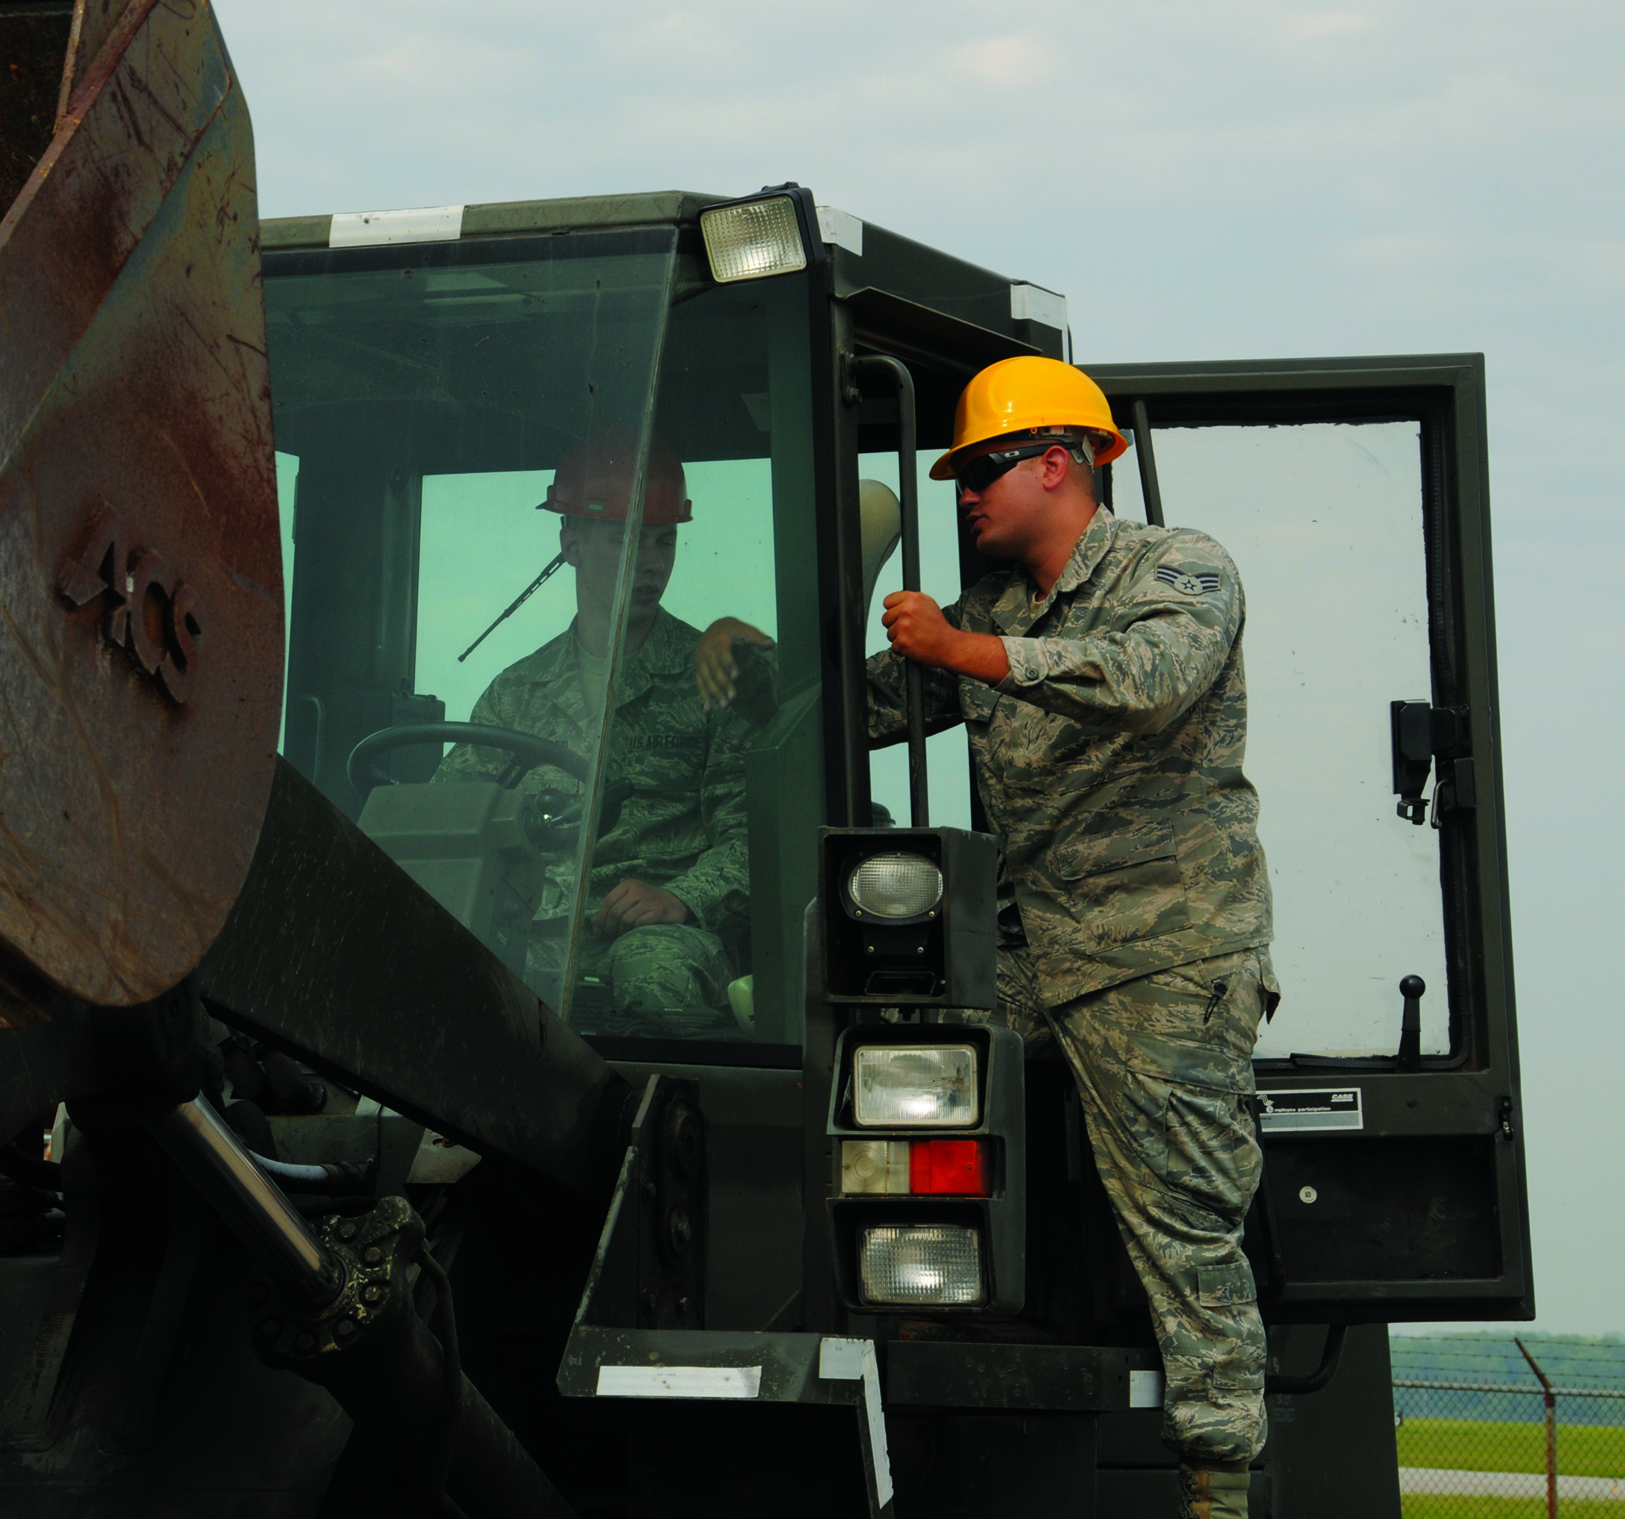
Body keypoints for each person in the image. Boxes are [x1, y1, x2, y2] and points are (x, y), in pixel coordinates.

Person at [699, 356, 1274, 1519]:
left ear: (1057, 465)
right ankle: (917, 1339)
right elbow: (858, 708)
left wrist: (967, 656)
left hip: (1163, 961)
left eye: (984, 470)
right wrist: (744, 657)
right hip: (1030, 957)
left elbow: (1149, 680)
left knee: (1184, 1230)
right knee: (885, 1070)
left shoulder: (1180, 569)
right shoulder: (994, 614)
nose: (964, 494)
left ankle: (1218, 1490)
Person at [438, 434, 767, 1037]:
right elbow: (449, 827)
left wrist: (683, 898)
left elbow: (758, 839)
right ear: (571, 545)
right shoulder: (516, 693)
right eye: (626, 538)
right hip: (531, 932)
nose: (651, 562)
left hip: (656, 933)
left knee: (654, 975)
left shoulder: (720, 678)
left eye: (664, 540)